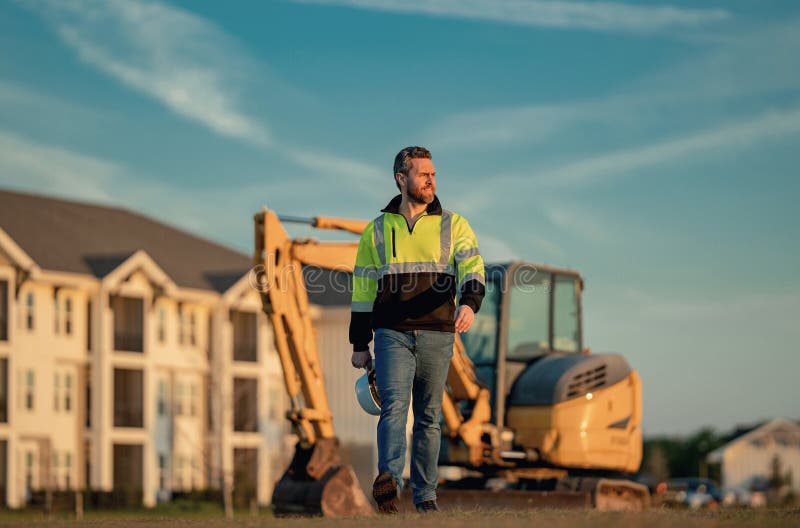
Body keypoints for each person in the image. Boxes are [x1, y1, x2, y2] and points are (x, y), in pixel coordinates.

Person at [349, 146, 485, 514]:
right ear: (401, 178)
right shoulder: (376, 231)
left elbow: (473, 267)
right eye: (423, 173)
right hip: (391, 332)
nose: (431, 180)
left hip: (439, 334)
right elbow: (362, 289)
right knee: (394, 406)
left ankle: (426, 498)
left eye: (433, 174)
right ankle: (389, 483)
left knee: (430, 417)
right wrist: (360, 342)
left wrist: (469, 304)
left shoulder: (454, 224)